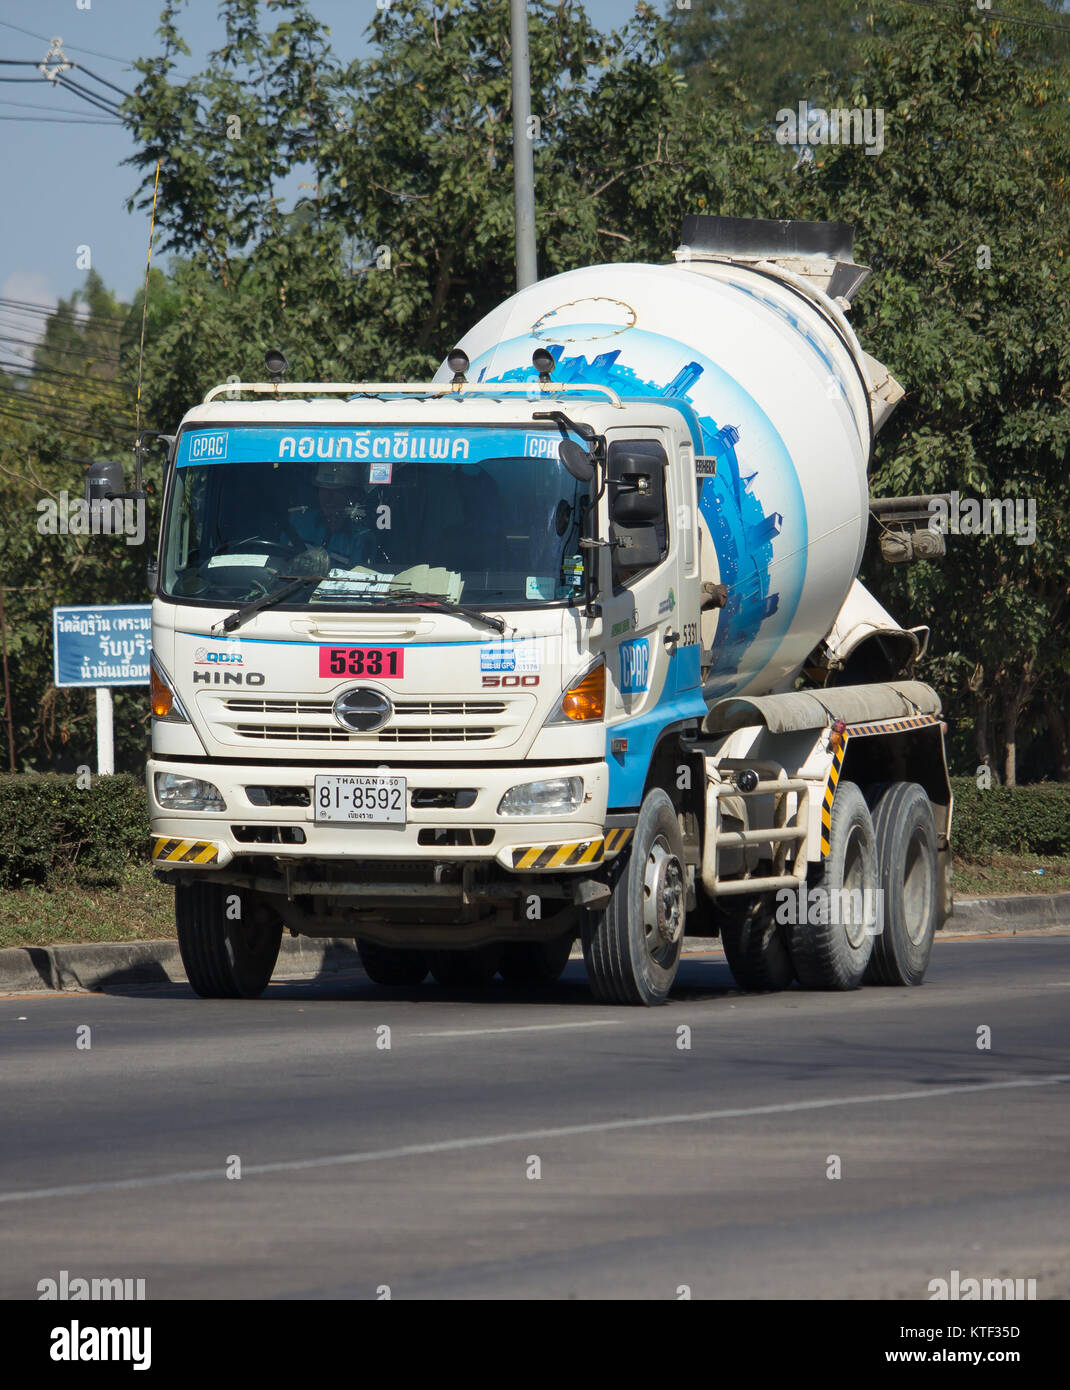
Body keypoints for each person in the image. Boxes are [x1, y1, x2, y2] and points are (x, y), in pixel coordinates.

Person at [285, 459, 372, 571]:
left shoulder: (360, 538)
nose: (328, 498)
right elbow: (279, 560)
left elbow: (357, 576)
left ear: (351, 495)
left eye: (336, 491)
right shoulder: (298, 521)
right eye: (323, 490)